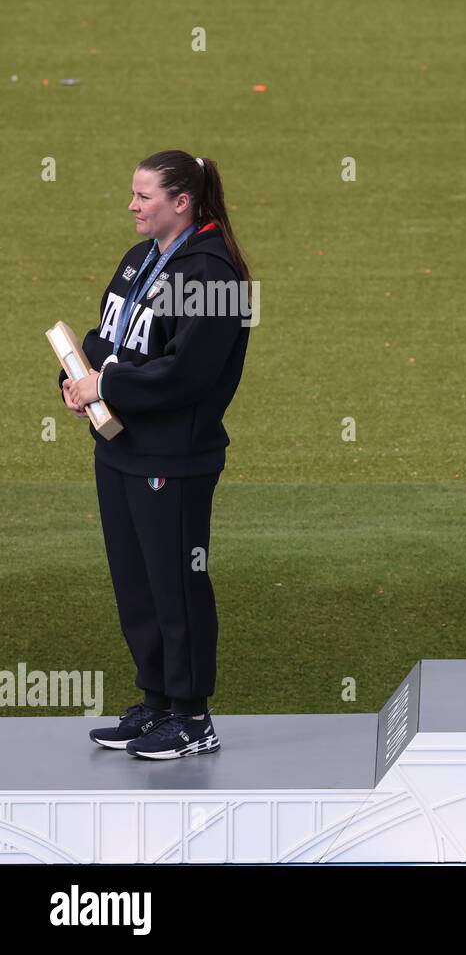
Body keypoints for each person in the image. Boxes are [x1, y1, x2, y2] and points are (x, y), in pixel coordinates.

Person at [62, 149, 253, 758]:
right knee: (137, 584)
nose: (132, 205)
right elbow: (105, 336)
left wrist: (107, 385)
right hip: (120, 449)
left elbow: (188, 375)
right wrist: (77, 379)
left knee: (177, 582)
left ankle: (193, 718)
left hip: (174, 458)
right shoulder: (140, 259)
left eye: (144, 196)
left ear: (182, 202)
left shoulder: (215, 276)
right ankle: (158, 704)